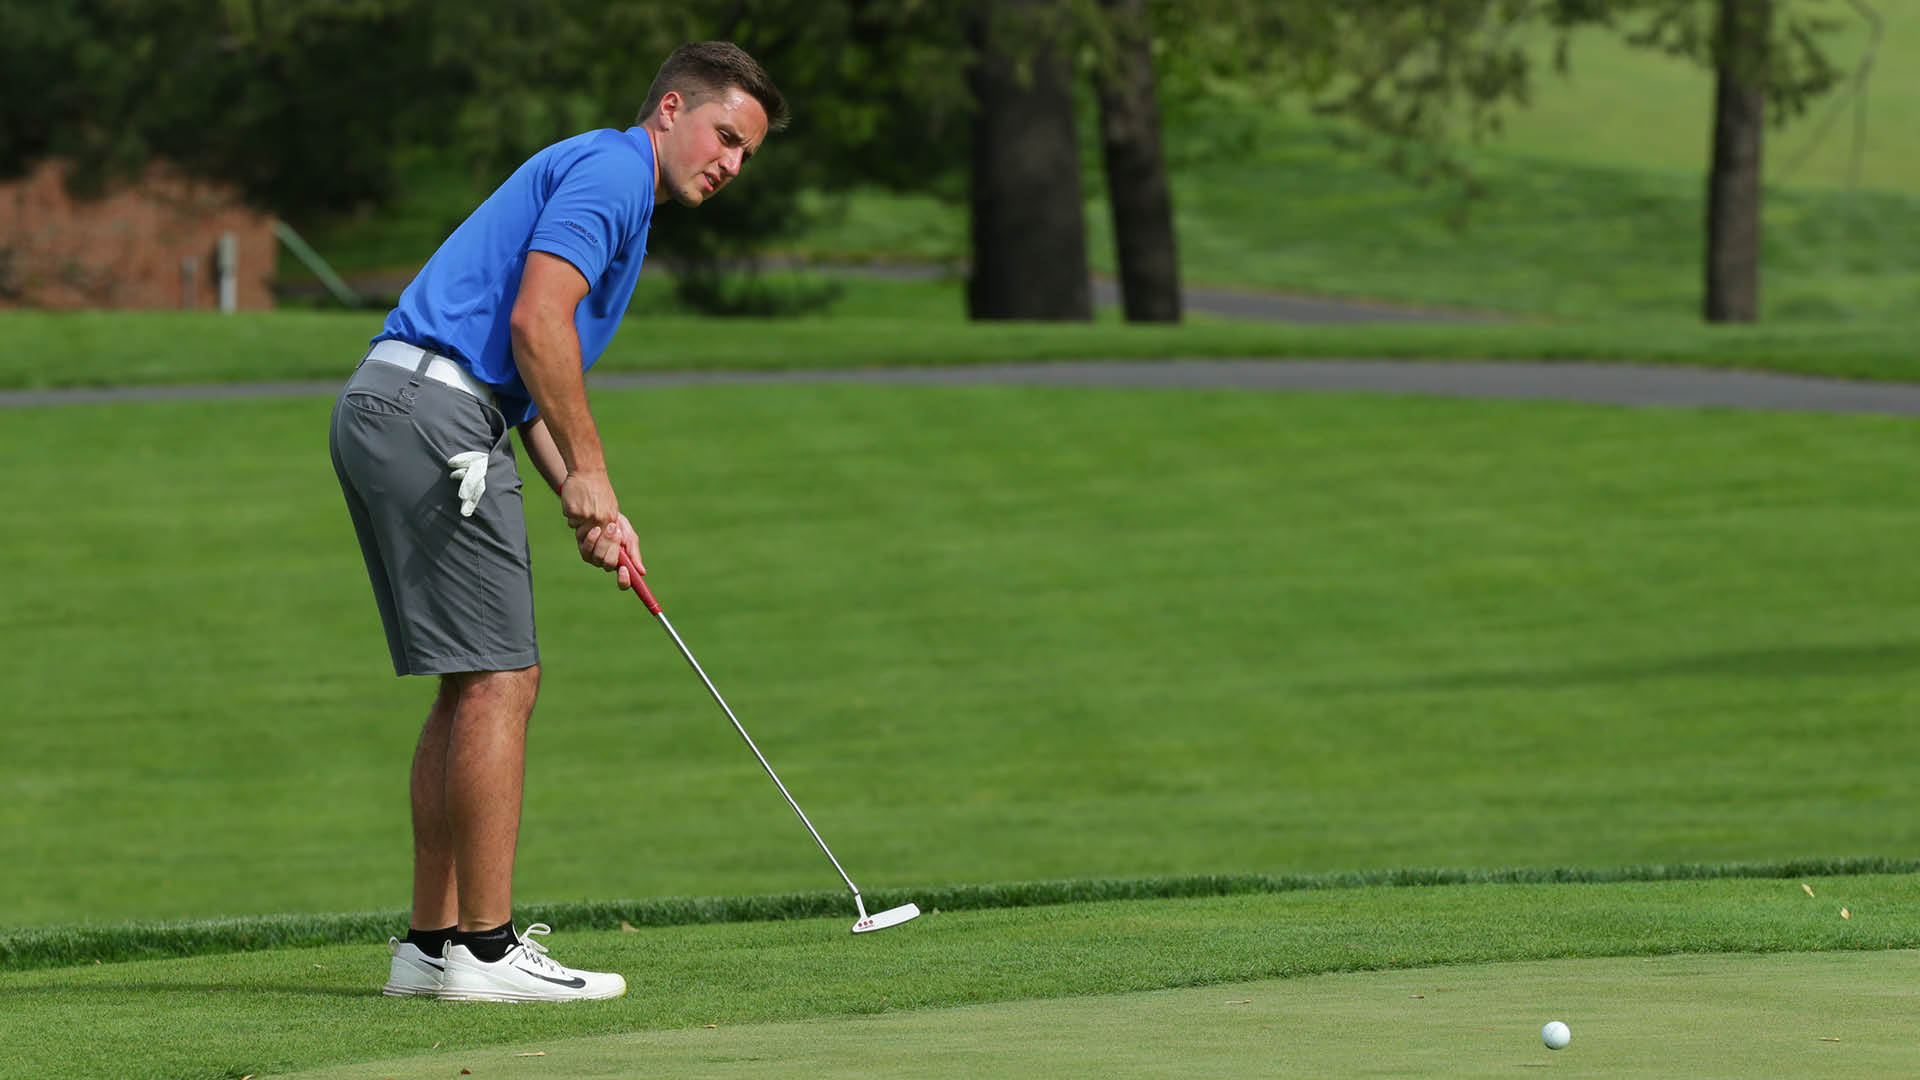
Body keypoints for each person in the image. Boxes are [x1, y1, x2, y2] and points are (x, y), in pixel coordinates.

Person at [328, 41, 787, 1002]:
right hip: (437, 413)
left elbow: (527, 387)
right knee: (504, 680)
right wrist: (592, 470)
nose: (730, 164)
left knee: (468, 685)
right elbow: (540, 325)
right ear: (671, 108)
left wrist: (594, 504)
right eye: (725, 137)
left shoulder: (602, 172)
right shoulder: (618, 172)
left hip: (395, 402)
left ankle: (431, 945)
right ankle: (486, 955)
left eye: (746, 153)